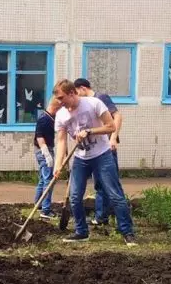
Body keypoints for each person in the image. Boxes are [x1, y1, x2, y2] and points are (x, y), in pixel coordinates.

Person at [52, 80, 136, 246]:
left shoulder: (94, 103)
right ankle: (81, 232)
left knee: (114, 194)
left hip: (102, 155)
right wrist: (58, 165)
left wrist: (90, 131)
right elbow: (61, 142)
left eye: (62, 98)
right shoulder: (61, 115)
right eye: (58, 99)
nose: (60, 102)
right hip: (80, 159)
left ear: (72, 93)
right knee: (75, 197)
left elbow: (111, 126)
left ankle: (127, 232)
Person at [74, 78, 123, 226]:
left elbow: (118, 116)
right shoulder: (86, 103)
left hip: (106, 147)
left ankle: (115, 218)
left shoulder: (100, 98)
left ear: (82, 88)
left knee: (111, 184)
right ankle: (102, 216)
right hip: (94, 149)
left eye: (77, 93)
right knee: (100, 184)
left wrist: (113, 138)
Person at [33, 97, 61, 219]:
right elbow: (39, 137)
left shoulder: (51, 118)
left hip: (46, 149)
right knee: (48, 180)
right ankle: (46, 210)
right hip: (44, 150)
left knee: (43, 179)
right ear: (56, 107)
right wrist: (46, 154)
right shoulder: (44, 119)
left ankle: (38, 204)